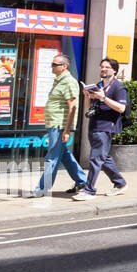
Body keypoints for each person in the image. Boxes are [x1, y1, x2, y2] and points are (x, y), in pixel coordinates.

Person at [26, 54, 88, 198]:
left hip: (59, 126)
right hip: (54, 125)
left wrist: (66, 131)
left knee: (52, 158)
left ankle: (42, 188)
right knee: (64, 155)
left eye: (55, 64)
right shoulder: (59, 81)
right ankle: (82, 181)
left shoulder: (69, 82)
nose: (51, 67)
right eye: (52, 64)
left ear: (64, 66)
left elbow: (72, 107)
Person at [72, 59, 129, 201]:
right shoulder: (97, 86)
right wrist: (87, 95)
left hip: (106, 127)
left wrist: (103, 98)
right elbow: (87, 108)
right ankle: (120, 183)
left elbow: (121, 108)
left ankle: (89, 190)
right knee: (103, 158)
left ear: (114, 70)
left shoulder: (119, 87)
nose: (103, 69)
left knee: (96, 158)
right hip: (94, 125)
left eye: (107, 67)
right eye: (102, 66)